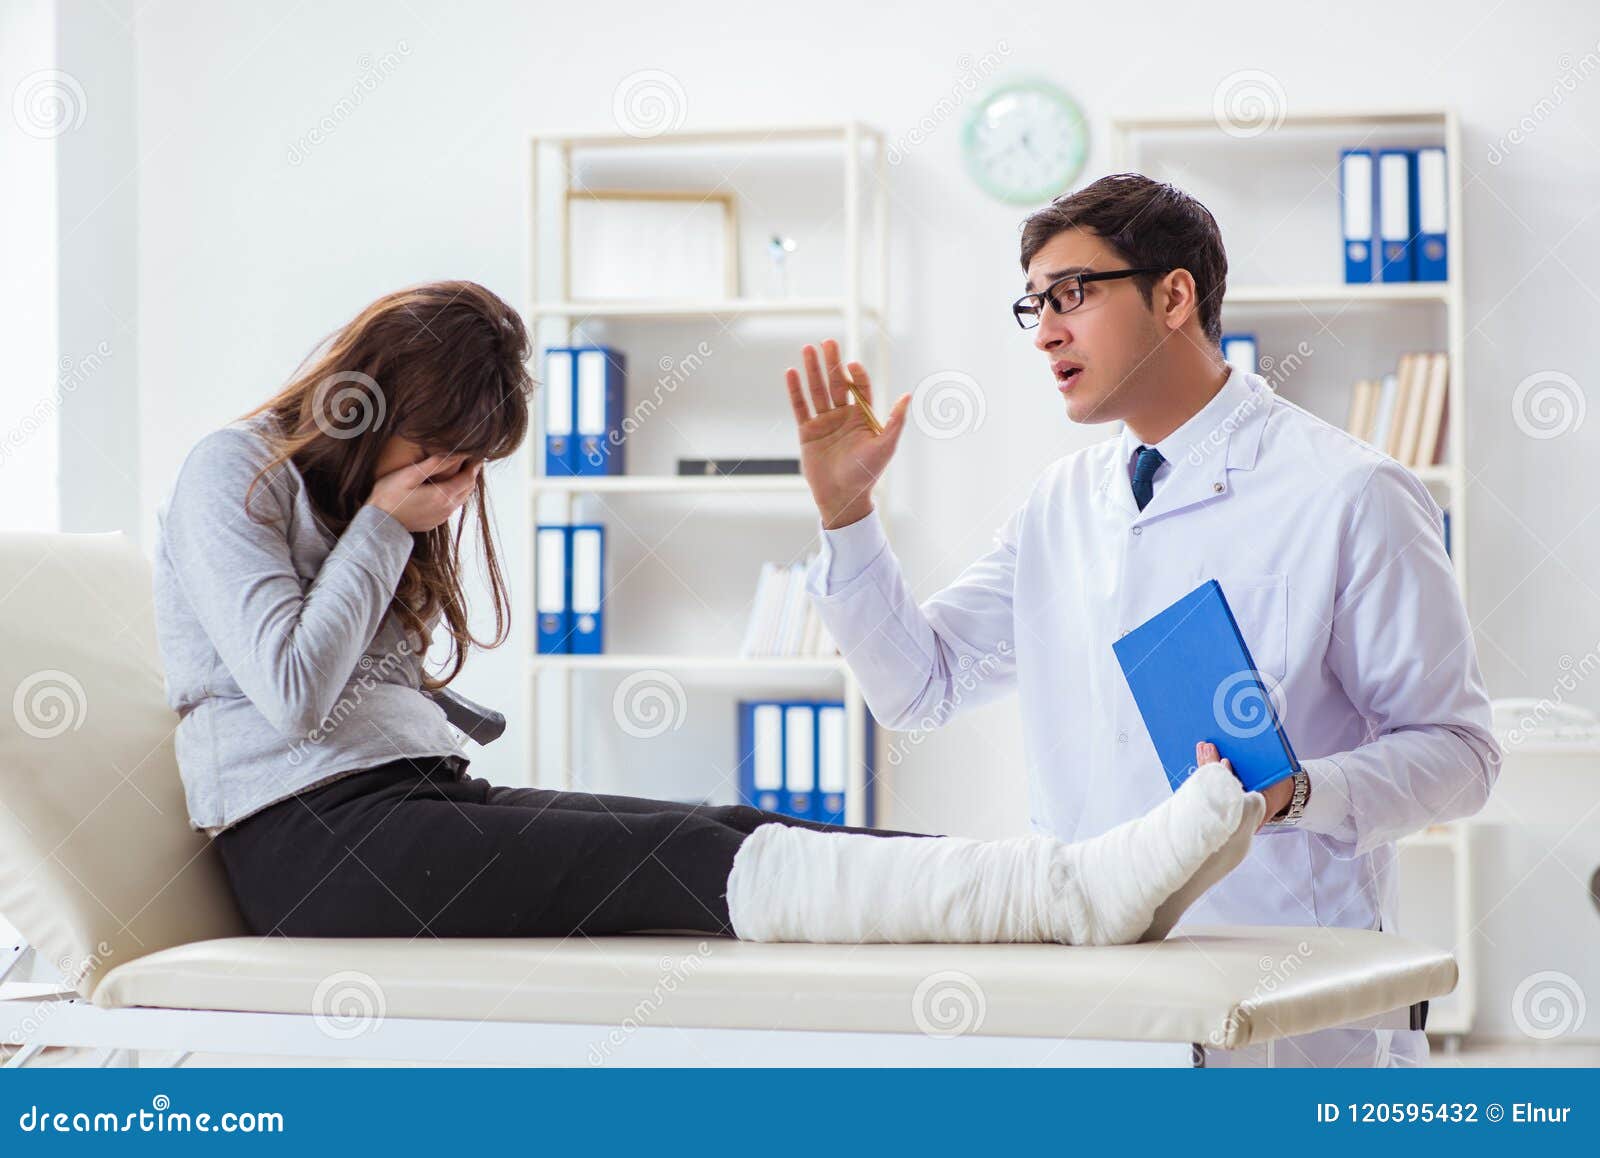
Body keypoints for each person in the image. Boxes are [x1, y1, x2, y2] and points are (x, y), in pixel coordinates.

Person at [150, 279, 1261, 949]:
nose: (453, 487)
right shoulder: (231, 474)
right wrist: (390, 524)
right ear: (375, 399)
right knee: (677, 858)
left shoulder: (364, 501)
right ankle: (1063, 897)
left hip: (404, 804)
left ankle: (1055, 886)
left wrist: (392, 544)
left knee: (723, 821)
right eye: (443, 457)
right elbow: (291, 696)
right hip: (313, 850)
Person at [782, 174, 1500, 1065]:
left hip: (1286, 1002)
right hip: (1099, 1002)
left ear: (1173, 295)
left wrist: (1297, 792)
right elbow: (917, 688)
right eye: (1034, 304)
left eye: (1073, 294)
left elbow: (1460, 756)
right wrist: (847, 515)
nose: (1046, 329)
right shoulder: (1063, 505)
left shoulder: (1348, 492)